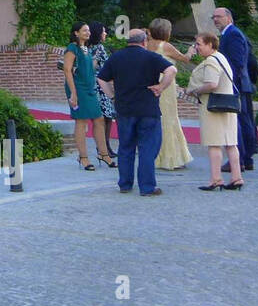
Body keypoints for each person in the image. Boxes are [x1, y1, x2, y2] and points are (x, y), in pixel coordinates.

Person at [96, 29, 177, 196]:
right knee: (147, 148)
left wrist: (112, 96)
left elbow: (101, 78)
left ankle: (125, 184)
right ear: (144, 41)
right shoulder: (151, 57)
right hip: (148, 109)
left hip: (124, 109)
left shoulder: (116, 57)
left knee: (126, 147)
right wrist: (161, 87)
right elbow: (172, 70)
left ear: (128, 41)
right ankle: (147, 187)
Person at [190, 7, 257, 172]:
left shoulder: (233, 34)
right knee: (243, 121)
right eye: (213, 17)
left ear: (229, 17)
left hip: (236, 86)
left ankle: (241, 159)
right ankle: (245, 159)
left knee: (238, 123)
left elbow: (237, 63)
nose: (215, 20)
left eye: (218, 17)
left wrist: (224, 82)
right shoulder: (230, 34)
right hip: (241, 84)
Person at [185, 32, 245, 191]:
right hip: (228, 105)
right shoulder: (221, 58)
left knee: (214, 144)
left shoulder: (211, 61)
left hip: (213, 106)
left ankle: (216, 179)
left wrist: (196, 90)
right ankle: (237, 177)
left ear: (210, 44)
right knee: (231, 143)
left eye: (199, 44)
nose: (196, 47)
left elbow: (212, 84)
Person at [147, 18, 193, 171]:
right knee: (169, 118)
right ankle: (171, 157)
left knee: (156, 118)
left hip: (153, 81)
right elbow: (185, 59)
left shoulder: (147, 45)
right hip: (166, 85)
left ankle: (156, 154)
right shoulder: (165, 46)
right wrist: (191, 51)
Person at [63, 21, 107, 170]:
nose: (88, 33)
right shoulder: (72, 48)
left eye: (88, 31)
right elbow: (67, 70)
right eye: (84, 30)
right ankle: (83, 157)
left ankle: (103, 154)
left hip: (90, 88)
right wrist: (73, 93)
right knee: (81, 122)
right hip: (78, 88)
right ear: (76, 33)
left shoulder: (87, 49)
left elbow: (89, 67)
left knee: (99, 119)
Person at [87, 22, 117, 167]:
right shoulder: (98, 48)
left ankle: (104, 147)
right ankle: (104, 148)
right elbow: (105, 67)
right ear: (98, 33)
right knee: (106, 117)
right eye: (103, 32)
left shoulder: (88, 47)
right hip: (100, 86)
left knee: (103, 118)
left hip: (94, 86)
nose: (105, 34)